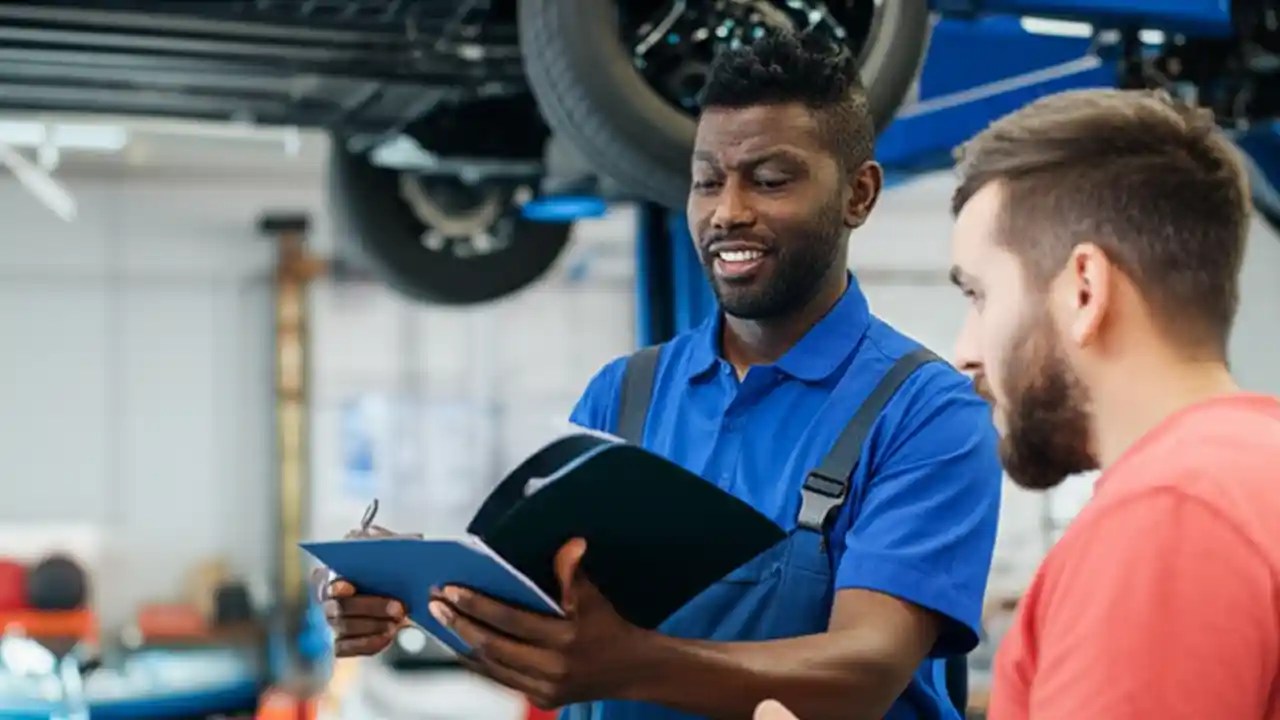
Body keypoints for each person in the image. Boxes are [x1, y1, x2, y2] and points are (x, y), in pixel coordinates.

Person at [318, 31, 1003, 720]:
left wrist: (632, 662)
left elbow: (866, 667)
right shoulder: (624, 396)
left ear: (858, 194)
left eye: (769, 180)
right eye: (707, 181)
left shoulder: (926, 414)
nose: (728, 211)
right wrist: (405, 591)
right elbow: (544, 626)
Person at [947, 87, 1280, 719]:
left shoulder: (1170, 515)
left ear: (1083, 290)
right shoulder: (1250, 474)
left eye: (980, 296)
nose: (965, 352)